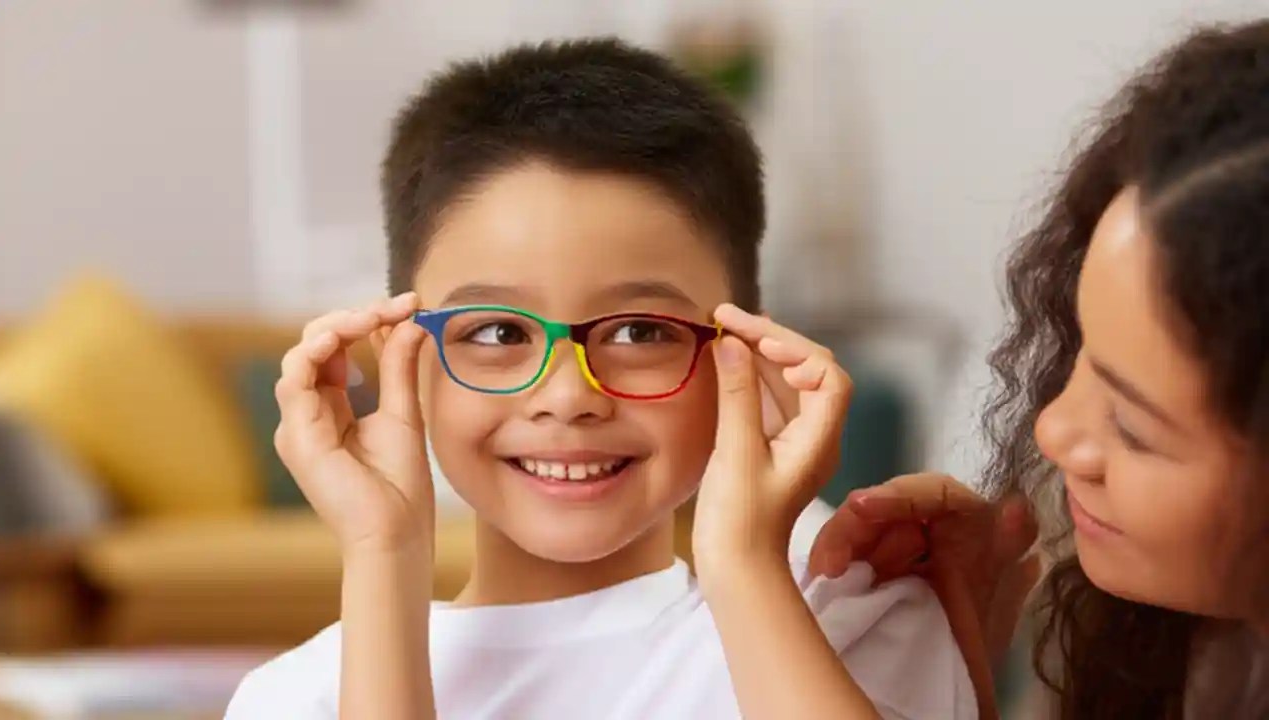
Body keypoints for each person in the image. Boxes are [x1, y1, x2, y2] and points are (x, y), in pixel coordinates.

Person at [225, 39, 976, 719]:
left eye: (640, 332)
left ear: (745, 348)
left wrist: (744, 564)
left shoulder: (854, 624)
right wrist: (383, 555)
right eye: (497, 332)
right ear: (405, 358)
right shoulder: (297, 697)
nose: (568, 396)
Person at [813, 19, 1269, 719]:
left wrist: (744, 570)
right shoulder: (1186, 643)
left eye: (1133, 426)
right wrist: (966, 655)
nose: (1054, 430)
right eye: (1081, 342)